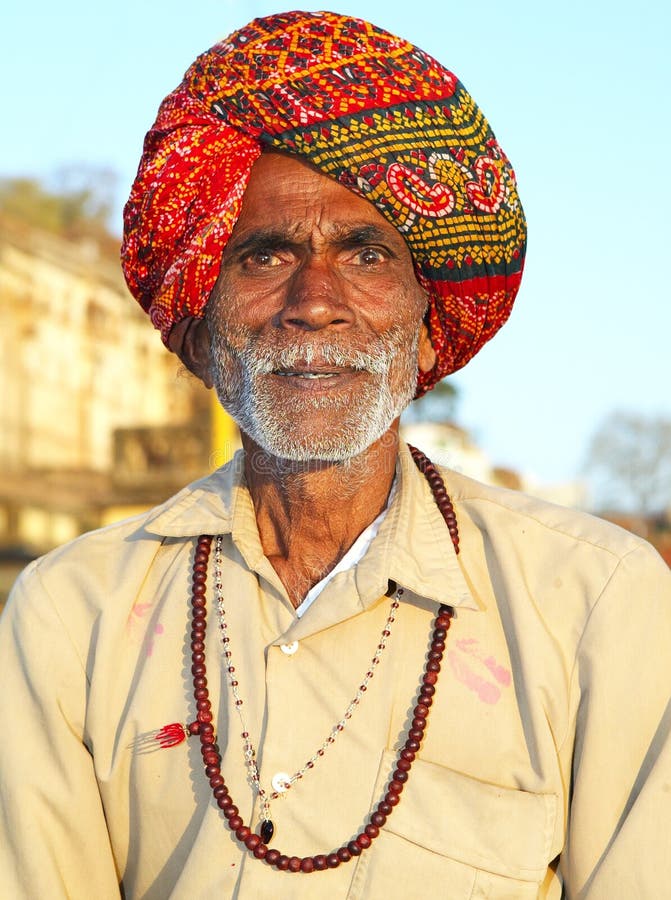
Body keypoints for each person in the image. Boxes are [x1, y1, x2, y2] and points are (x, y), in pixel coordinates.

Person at [1, 10, 670, 899]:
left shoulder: (593, 604)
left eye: (364, 254)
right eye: (265, 255)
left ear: (429, 336)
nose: (314, 303)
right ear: (200, 338)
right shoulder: (72, 615)